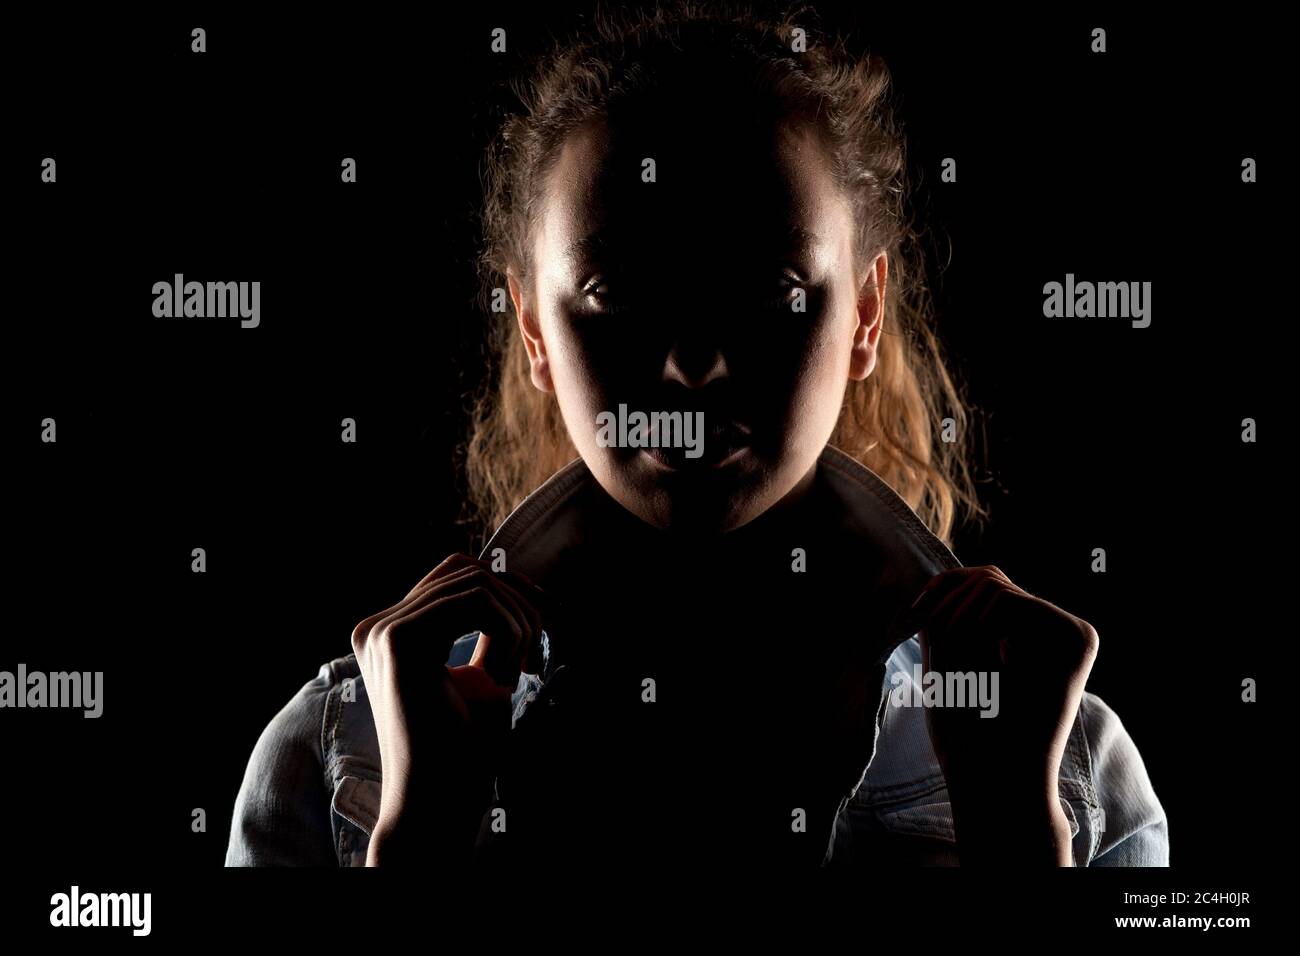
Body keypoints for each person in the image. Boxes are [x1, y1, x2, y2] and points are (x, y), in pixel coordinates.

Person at [225, 1, 1167, 869]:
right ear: (534, 334)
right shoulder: (337, 755)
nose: (694, 364)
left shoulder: (1063, 762)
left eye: (770, 293)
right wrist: (421, 835)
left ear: (867, 317)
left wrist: (1015, 835)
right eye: (619, 295)